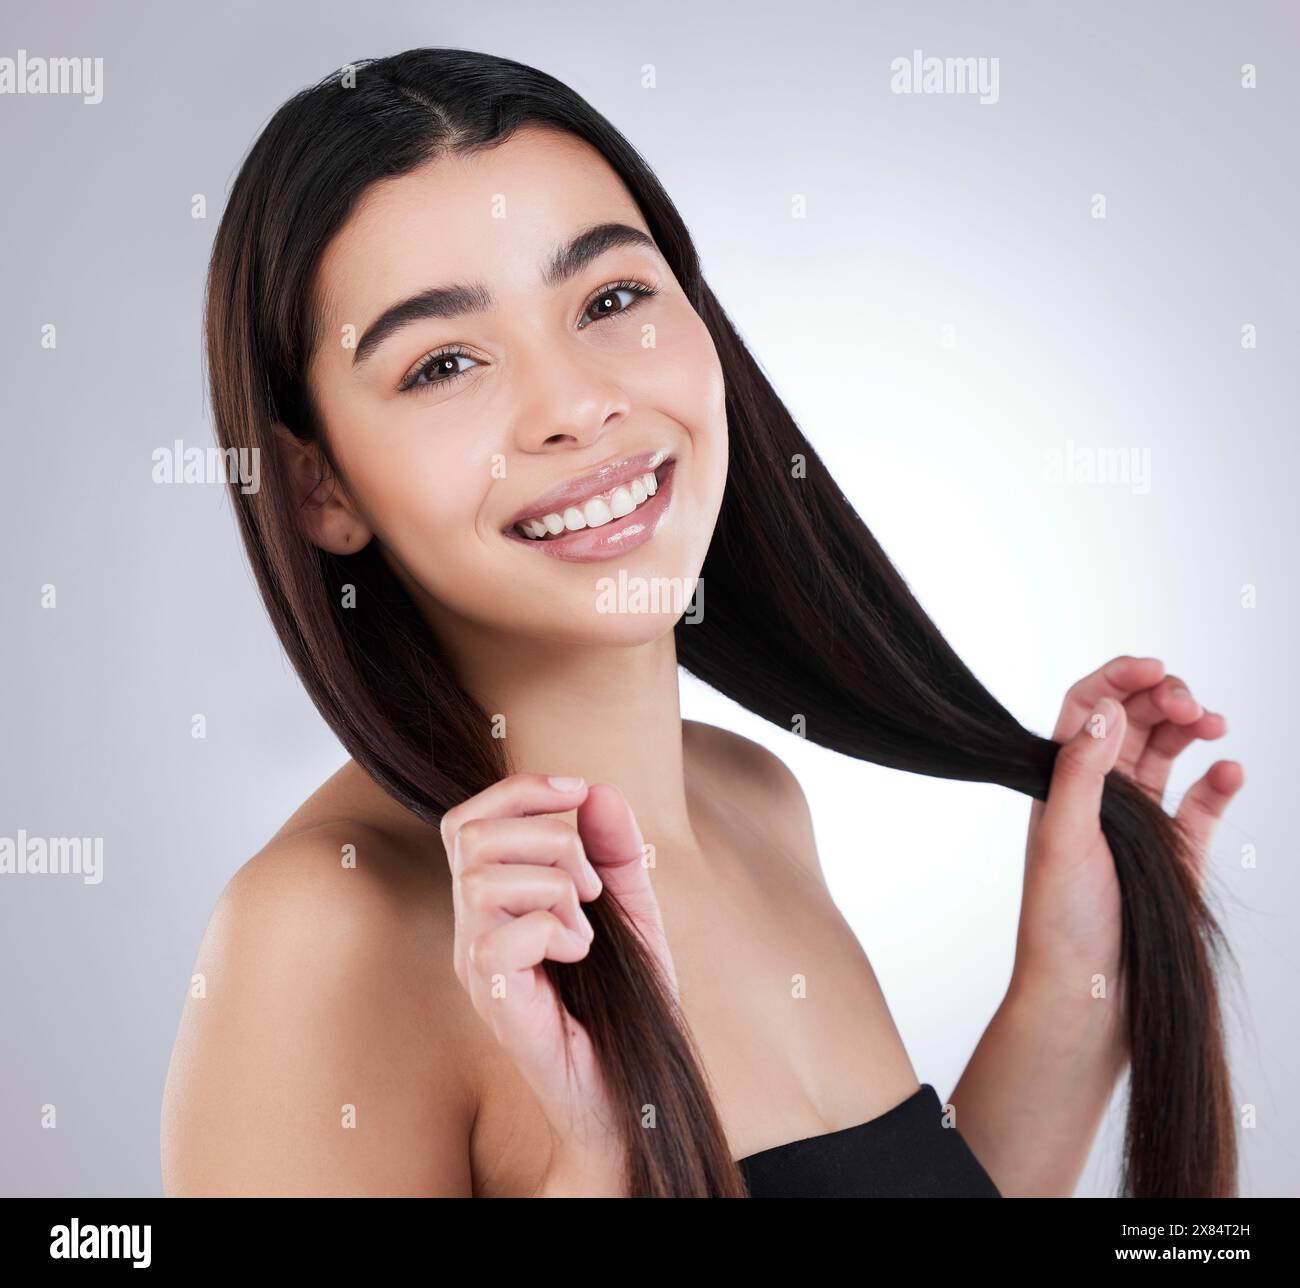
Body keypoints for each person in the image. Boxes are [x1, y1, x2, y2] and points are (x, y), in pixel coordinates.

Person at [160, 48, 1243, 1198]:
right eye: (443, 363)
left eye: (612, 298)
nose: (578, 403)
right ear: (317, 485)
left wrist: (1078, 980)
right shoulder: (324, 928)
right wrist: (593, 1158)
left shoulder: (753, 801)